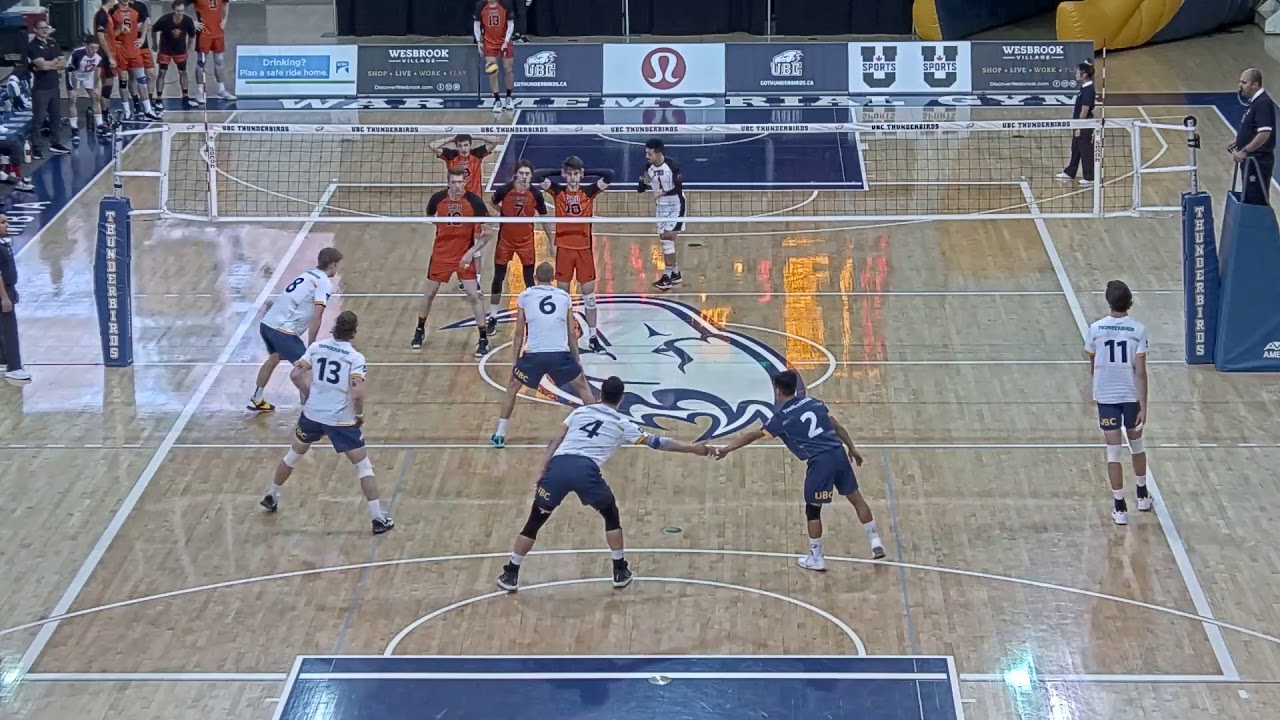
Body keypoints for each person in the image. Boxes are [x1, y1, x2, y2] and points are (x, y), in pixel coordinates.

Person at [496, 375, 710, 592]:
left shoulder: (579, 412)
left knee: (534, 522)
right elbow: (658, 443)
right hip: (585, 470)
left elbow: (555, 441)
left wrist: (543, 470)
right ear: (621, 399)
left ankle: (511, 572)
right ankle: (619, 569)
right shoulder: (623, 423)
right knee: (610, 515)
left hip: (558, 466)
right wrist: (693, 448)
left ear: (600, 395)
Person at [713, 370, 885, 568]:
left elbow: (754, 435)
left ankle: (817, 557)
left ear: (777, 391)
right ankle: (875, 542)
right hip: (838, 453)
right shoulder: (814, 403)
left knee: (813, 510)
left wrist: (728, 448)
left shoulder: (782, 418)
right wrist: (852, 448)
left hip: (820, 462)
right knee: (856, 498)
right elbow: (837, 427)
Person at [262, 311, 393, 534]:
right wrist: (359, 415)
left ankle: (272, 495)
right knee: (363, 466)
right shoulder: (355, 358)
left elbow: (295, 375)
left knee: (293, 455)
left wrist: (307, 393)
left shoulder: (316, 348)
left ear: (334, 328)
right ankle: (378, 519)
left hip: (312, 414)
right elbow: (357, 393)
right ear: (354, 332)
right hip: (340, 420)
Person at [490, 262, 595, 448]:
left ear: (536, 278)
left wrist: (515, 362)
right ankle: (598, 429)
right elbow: (572, 332)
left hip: (534, 356)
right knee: (583, 387)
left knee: (512, 388)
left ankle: (500, 433)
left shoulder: (525, 296)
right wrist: (576, 359)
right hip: (559, 355)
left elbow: (519, 332)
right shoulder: (564, 297)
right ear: (553, 278)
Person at [1084, 280, 1150, 526]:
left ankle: (1120, 506)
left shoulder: (1096, 328)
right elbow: (1140, 371)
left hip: (1107, 396)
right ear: (1129, 301)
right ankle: (1142, 494)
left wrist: (1096, 390)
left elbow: (1092, 363)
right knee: (1137, 444)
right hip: (1130, 394)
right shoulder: (1138, 330)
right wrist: (1144, 404)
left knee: (1113, 451)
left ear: (1108, 301)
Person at [413, 167, 495, 357]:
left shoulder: (474, 202)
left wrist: (471, 252)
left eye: (460, 182)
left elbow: (488, 233)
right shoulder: (437, 199)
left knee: (474, 296)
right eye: (454, 182)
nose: (457, 186)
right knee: (429, 293)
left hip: (463, 255)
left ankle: (483, 339)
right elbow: (430, 217)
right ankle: (419, 330)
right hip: (441, 254)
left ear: (464, 182)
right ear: (448, 182)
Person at [535, 156, 614, 353]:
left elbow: (610, 175)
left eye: (576, 174)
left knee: (589, 297)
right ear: (565, 175)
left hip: (584, 249)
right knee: (562, 296)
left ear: (581, 174)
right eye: (569, 174)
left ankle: (593, 336)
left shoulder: (589, 191)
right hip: (564, 249)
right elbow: (537, 175)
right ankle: (561, 335)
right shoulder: (557, 190)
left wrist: (586, 172)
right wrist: (559, 172)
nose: (572, 178)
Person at [249, 247, 341, 413]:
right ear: (333, 264)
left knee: (273, 358)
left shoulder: (307, 274)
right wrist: (311, 345)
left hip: (267, 324)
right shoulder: (324, 283)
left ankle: (257, 398)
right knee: (306, 369)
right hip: (282, 331)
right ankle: (310, 411)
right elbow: (317, 316)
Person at [486, 159, 547, 334]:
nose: (524, 177)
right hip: (505, 241)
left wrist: (552, 241)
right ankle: (493, 316)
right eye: (521, 173)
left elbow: (544, 216)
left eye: (527, 174)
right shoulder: (504, 190)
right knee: (498, 278)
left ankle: (532, 315)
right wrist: (504, 214)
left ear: (531, 175)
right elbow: (492, 202)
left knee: (529, 281)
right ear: (516, 174)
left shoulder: (535, 194)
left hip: (526, 241)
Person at [639, 138, 686, 291]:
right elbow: (640, 189)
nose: (647, 156)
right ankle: (675, 273)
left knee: (667, 240)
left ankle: (667, 277)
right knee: (664, 240)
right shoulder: (648, 167)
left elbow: (679, 189)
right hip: (661, 208)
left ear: (659, 153)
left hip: (676, 205)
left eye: (650, 153)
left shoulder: (672, 166)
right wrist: (643, 181)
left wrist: (663, 193)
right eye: (646, 153)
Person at [109, 0, 161, 121]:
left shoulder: (134, 11)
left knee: (142, 80)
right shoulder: (113, 12)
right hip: (121, 50)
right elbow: (109, 34)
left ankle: (148, 109)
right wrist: (119, 31)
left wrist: (142, 38)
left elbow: (146, 22)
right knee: (123, 81)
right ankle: (127, 111)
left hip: (134, 50)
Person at [26, 20, 71, 160]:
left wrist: (48, 64)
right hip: (40, 88)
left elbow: (63, 63)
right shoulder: (32, 46)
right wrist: (52, 63)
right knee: (38, 119)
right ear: (35, 30)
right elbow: (42, 66)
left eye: (46, 27)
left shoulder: (52, 42)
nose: (45, 30)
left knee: (55, 116)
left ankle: (55, 143)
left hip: (54, 86)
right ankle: (36, 147)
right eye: (42, 28)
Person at [1231, 68, 1275, 206]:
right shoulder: (1255, 102)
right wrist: (1237, 141)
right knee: (1249, 197)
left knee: (1256, 200)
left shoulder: (1263, 104)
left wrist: (1245, 150)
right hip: (1251, 160)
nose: (1240, 86)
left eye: (1244, 82)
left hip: (1258, 161)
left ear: (1255, 85)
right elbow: (1253, 128)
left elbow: (1264, 134)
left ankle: (1260, 227)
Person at [152, 1, 199, 110]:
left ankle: (185, 98)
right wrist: (154, 44)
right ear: (174, 10)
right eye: (178, 11)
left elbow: (192, 36)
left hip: (180, 49)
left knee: (183, 72)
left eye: (182, 11)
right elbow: (154, 30)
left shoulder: (187, 21)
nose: (180, 13)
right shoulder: (165, 20)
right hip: (165, 49)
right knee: (162, 73)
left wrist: (188, 50)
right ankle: (158, 99)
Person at [1056, 61, 1096, 187]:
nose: (1076, 74)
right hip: (1078, 124)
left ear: (1084, 75)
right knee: (1076, 149)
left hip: (1084, 125)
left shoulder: (1089, 90)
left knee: (1085, 151)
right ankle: (1070, 172)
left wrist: (1079, 126)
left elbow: (1085, 110)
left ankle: (1089, 177)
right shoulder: (1084, 88)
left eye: (1078, 72)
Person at [0, 215, 29, 384]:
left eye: (7, 221)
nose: (7, 225)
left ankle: (3, 360)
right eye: (2, 223)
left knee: (2, 328)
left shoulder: (5, 243)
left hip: (8, 289)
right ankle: (14, 367)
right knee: (10, 330)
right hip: (3, 292)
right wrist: (5, 298)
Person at [474, 0, 516, 114]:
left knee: (508, 69)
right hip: (489, 42)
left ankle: (509, 97)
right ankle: (497, 100)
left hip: (504, 41)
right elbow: (477, 24)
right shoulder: (481, 5)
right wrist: (479, 41)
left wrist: (506, 41)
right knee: (492, 71)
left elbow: (511, 24)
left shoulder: (505, 4)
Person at [67, 38, 110, 141]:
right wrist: (74, 89)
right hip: (74, 74)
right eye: (91, 48)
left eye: (96, 48)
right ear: (86, 46)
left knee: (96, 98)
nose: (93, 50)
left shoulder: (99, 55)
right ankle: (74, 128)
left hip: (88, 74)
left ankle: (99, 125)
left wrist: (95, 87)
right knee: (73, 99)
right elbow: (74, 72)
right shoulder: (77, 54)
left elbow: (97, 71)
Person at [193, 0, 235, 102]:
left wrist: (225, 19)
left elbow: (226, 3)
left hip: (218, 32)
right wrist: (192, 22)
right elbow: (179, 5)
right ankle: (199, 92)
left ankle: (221, 90)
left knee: (219, 61)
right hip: (204, 33)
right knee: (201, 62)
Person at [128, 0, 161, 116]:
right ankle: (136, 103)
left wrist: (142, 37)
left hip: (143, 45)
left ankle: (150, 100)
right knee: (132, 76)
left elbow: (147, 22)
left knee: (151, 74)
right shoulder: (118, 8)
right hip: (129, 46)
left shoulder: (140, 6)